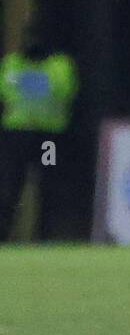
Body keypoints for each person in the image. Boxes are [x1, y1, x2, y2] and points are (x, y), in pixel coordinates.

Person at [0, 21, 78, 241]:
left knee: (49, 185)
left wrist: (29, 80)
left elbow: (62, 90)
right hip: (18, 135)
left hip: (48, 137)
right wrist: (38, 81)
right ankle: (4, 236)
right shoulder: (12, 63)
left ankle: (47, 236)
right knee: (11, 186)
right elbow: (6, 91)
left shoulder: (60, 65)